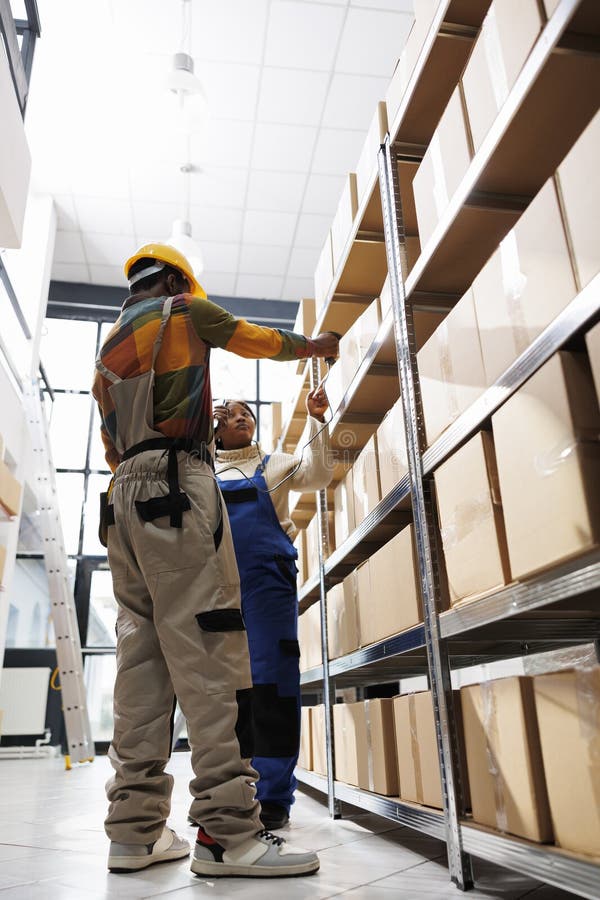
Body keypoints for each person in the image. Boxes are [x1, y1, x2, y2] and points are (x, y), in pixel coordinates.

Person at [91, 242, 339, 878]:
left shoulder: (110, 346)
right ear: (176, 279)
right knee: (212, 658)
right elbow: (250, 338)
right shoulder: (185, 311)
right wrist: (310, 348)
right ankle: (227, 834)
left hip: (122, 502)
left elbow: (107, 439)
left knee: (141, 666)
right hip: (179, 486)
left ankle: (135, 833)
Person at [211, 389, 332, 831]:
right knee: (221, 690)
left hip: (268, 583)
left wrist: (316, 420)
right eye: (231, 415)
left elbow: (318, 473)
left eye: (248, 413)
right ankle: (224, 793)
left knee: (273, 684)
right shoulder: (201, 470)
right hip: (214, 584)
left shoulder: (275, 464)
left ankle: (273, 795)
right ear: (215, 428)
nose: (242, 419)